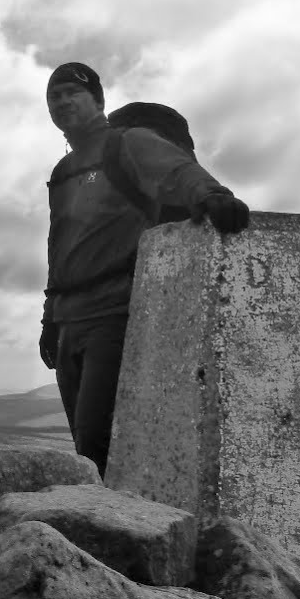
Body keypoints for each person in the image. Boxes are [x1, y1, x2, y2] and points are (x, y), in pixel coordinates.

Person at [38, 62, 250, 477]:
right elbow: (59, 247)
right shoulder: (62, 172)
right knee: (84, 446)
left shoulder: (128, 143)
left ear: (98, 101)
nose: (62, 101)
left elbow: (175, 170)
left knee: (98, 442)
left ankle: (115, 534)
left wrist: (212, 196)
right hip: (68, 322)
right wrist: (49, 319)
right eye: (54, 96)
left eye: (72, 93)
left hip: (114, 315)